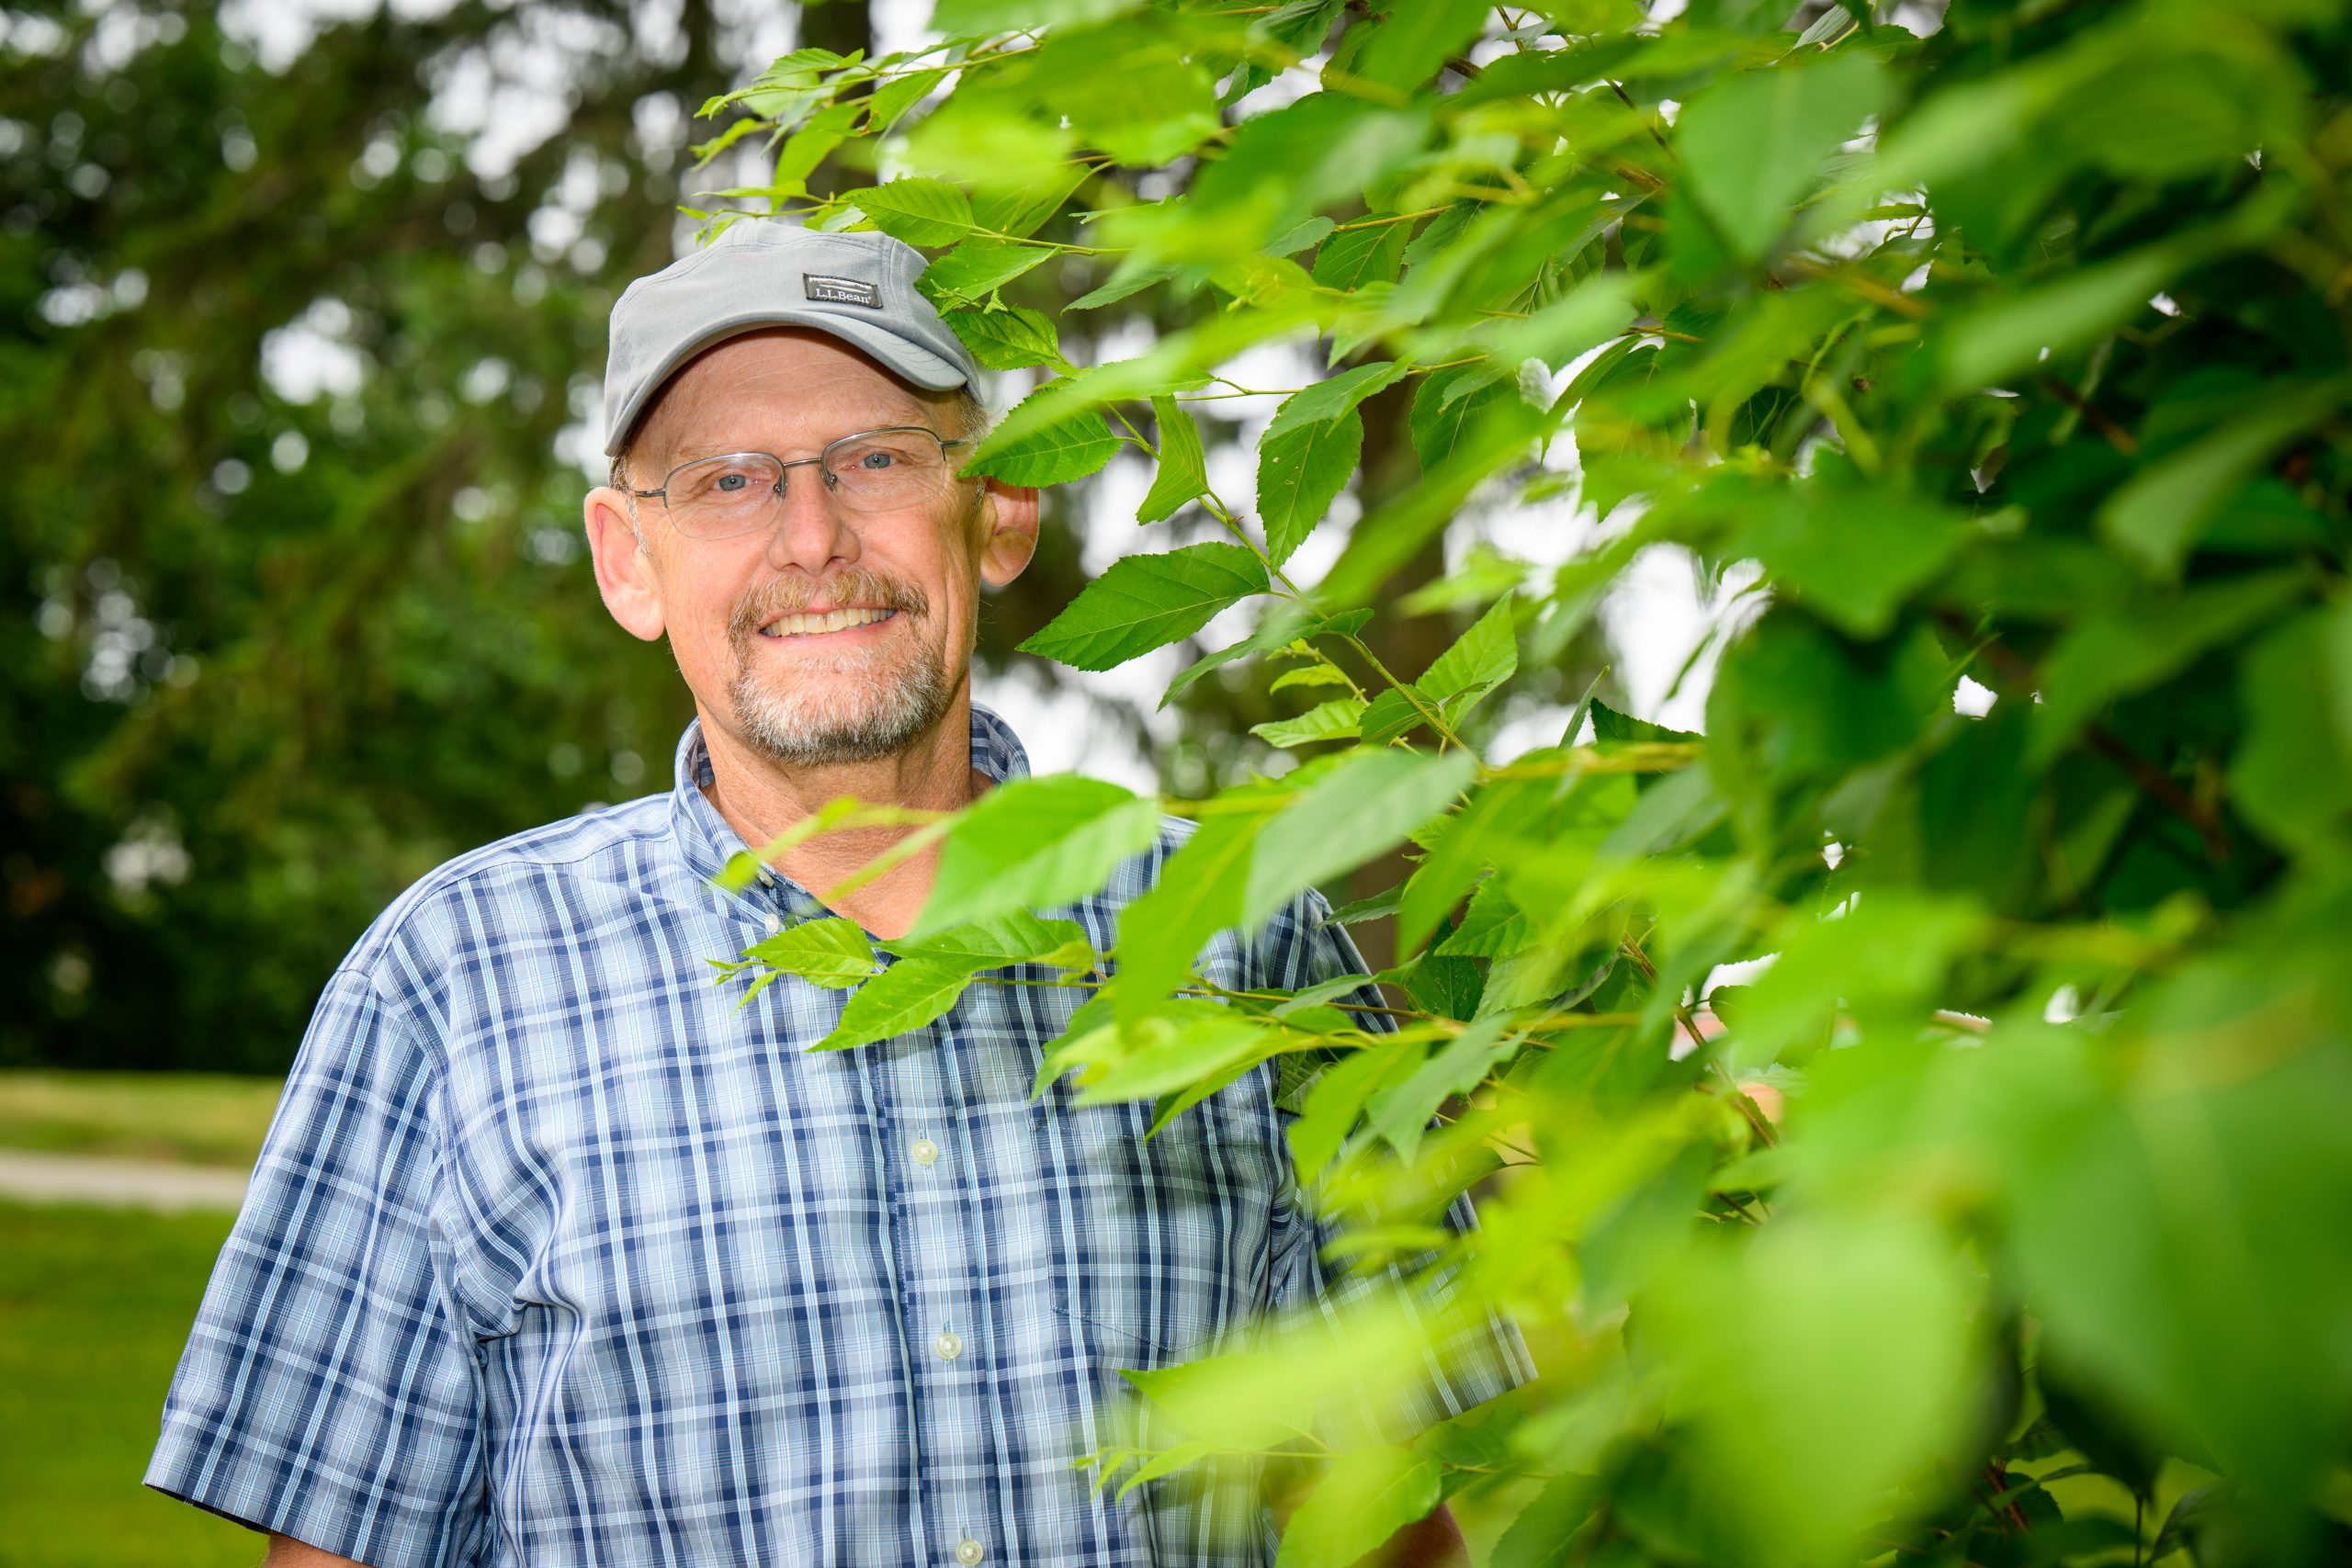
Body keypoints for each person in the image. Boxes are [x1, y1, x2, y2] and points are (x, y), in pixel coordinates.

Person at [146, 220, 1529, 1568]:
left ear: (997, 511)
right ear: (629, 560)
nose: (812, 537)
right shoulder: (451, 983)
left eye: (875, 459)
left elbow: (1384, 1523)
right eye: (727, 481)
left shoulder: (1244, 931)